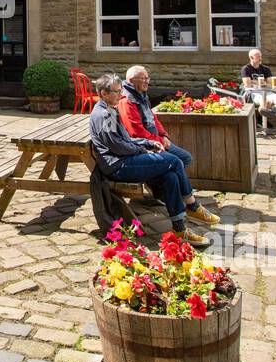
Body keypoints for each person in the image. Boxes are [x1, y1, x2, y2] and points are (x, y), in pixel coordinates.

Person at [88, 73, 210, 248]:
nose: (120, 95)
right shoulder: (104, 115)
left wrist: (148, 142)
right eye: (116, 92)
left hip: (125, 159)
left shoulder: (109, 109)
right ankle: (192, 205)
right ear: (103, 93)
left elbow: (125, 140)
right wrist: (143, 148)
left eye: (120, 90)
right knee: (174, 161)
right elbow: (118, 147)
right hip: (118, 166)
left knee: (170, 176)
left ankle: (179, 228)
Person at [118, 66, 218, 227]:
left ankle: (160, 189)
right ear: (131, 81)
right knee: (175, 164)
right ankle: (184, 202)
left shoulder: (141, 94)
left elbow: (153, 118)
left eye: (147, 78)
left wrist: (164, 135)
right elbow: (135, 132)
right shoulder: (127, 100)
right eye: (143, 79)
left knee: (185, 157)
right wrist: (156, 141)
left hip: (156, 140)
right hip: (145, 146)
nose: (147, 82)